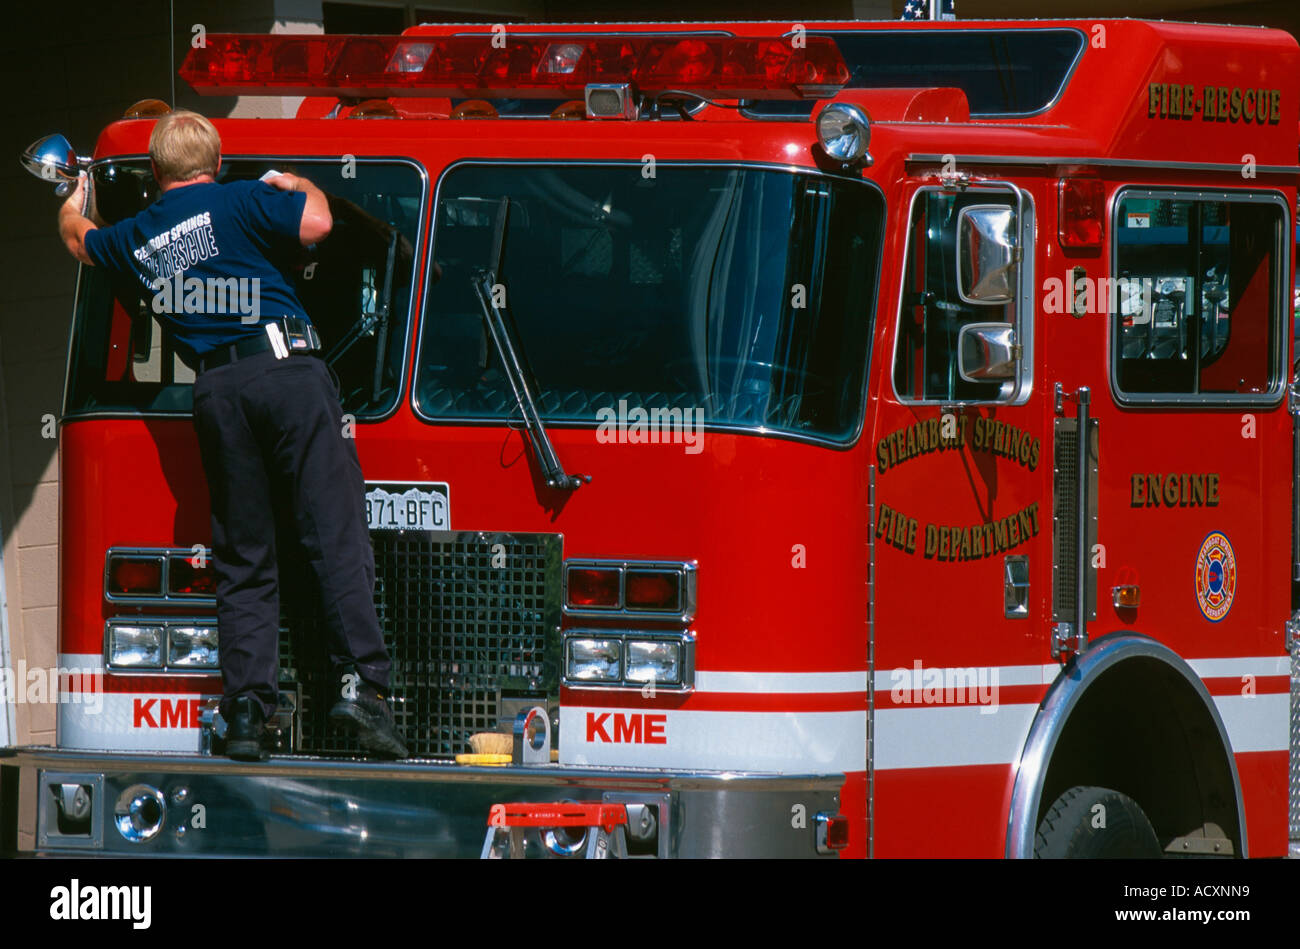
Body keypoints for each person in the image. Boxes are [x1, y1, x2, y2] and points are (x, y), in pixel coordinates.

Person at [57, 110, 407, 760]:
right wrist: (294, 179)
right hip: (289, 373)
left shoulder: (138, 235)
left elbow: (79, 239)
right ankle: (362, 691)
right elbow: (319, 222)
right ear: (214, 164)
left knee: (243, 560)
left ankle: (247, 712)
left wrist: (74, 194)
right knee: (333, 535)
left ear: (159, 173)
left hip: (217, 392)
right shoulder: (242, 198)